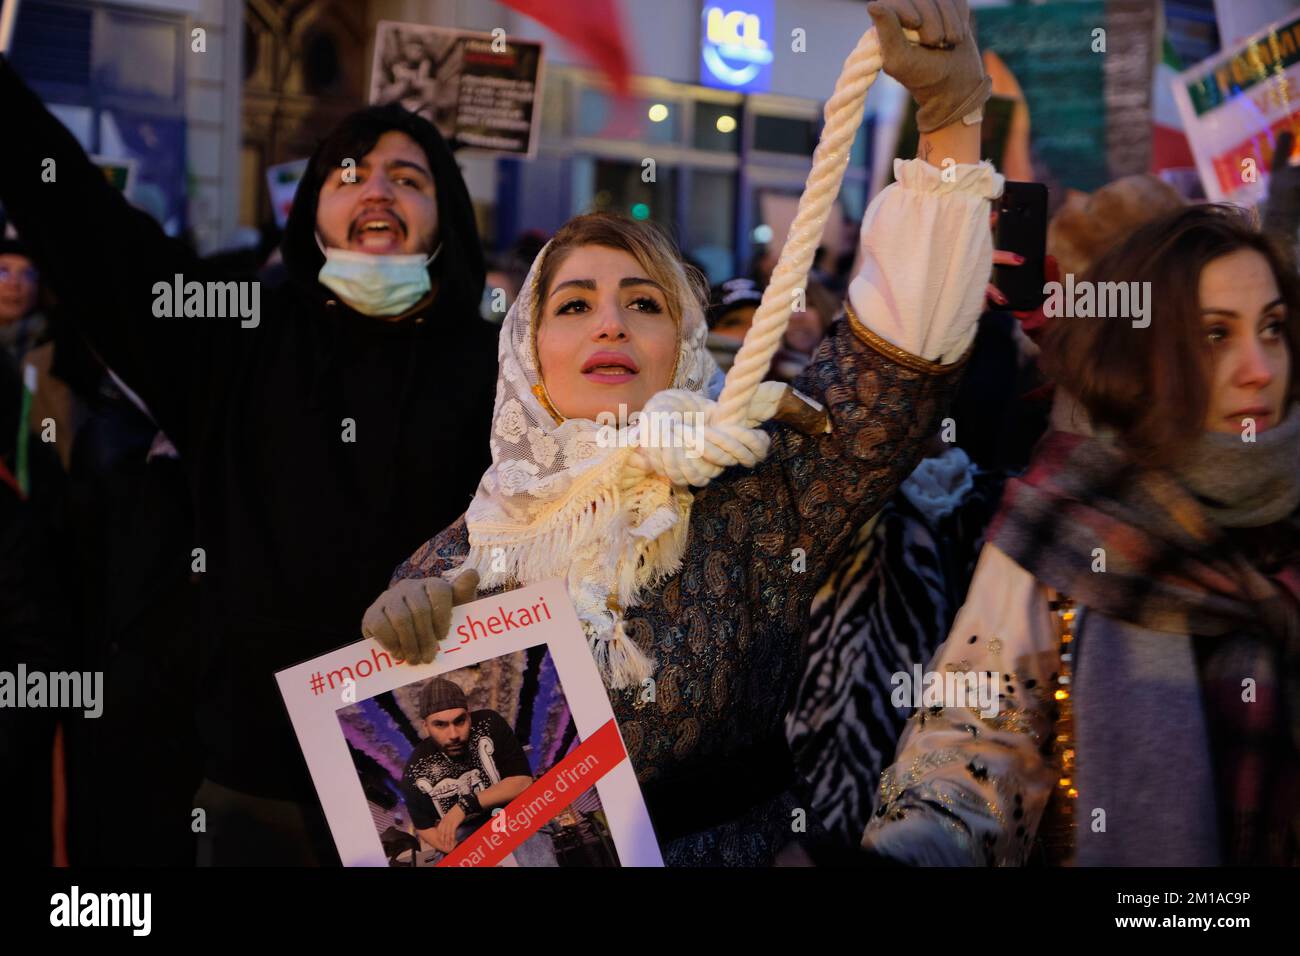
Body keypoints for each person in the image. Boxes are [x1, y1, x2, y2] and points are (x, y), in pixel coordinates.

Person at [363, 0, 1002, 865]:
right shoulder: (456, 562)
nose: (610, 325)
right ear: (528, 355)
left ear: (684, 348)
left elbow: (889, 378)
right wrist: (397, 640)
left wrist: (952, 124)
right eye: (574, 304)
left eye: (645, 303)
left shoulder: (753, 491)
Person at [0, 55, 499, 863]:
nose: (377, 190)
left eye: (408, 178)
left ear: (445, 216)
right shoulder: (233, 339)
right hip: (257, 781)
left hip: (441, 789)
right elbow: (90, 228)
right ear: (312, 214)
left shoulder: (505, 368)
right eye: (348, 174)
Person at [862, 204, 1300, 866]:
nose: (1259, 368)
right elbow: (974, 732)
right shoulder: (1072, 515)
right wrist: (925, 846)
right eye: (1214, 335)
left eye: (1273, 328)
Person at [400, 677, 557, 866]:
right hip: (464, 830)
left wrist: (464, 806)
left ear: (469, 715)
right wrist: (460, 852)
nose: (453, 734)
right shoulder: (415, 769)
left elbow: (522, 781)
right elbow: (423, 827)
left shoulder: (490, 724)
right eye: (440, 725)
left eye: (460, 721)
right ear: (426, 726)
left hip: (510, 812)